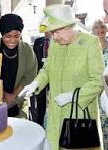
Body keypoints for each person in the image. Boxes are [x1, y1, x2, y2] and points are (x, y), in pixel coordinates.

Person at [19, 4, 104, 150]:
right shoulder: (55, 43)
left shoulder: (91, 43)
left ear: (70, 26)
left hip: (79, 117)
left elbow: (97, 82)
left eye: (57, 32)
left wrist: (72, 96)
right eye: (52, 33)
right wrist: (36, 83)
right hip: (54, 115)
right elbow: (47, 69)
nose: (55, 37)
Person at [0, 13, 37, 118]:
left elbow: (30, 76)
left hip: (19, 101)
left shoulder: (27, 50)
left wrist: (13, 96)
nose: (12, 40)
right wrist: (3, 94)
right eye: (8, 36)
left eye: (17, 36)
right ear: (2, 34)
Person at [92, 19, 108, 150]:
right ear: (93, 32)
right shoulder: (90, 49)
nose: (100, 29)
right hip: (96, 92)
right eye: (96, 27)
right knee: (100, 124)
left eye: (102, 26)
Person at [33, 31, 51, 126]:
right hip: (40, 76)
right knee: (40, 101)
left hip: (53, 76)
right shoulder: (38, 41)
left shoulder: (57, 41)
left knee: (53, 100)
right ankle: (40, 124)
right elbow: (34, 59)